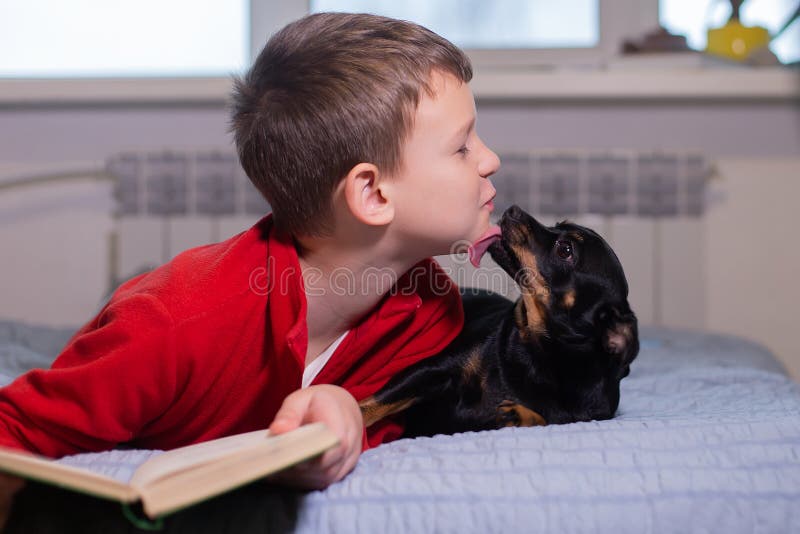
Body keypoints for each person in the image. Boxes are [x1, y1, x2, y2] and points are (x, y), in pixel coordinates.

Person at [0, 10, 500, 508]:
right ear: (371, 193)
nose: (489, 159)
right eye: (461, 147)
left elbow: (382, 418)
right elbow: (15, 428)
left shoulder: (431, 316)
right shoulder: (172, 324)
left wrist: (348, 415)